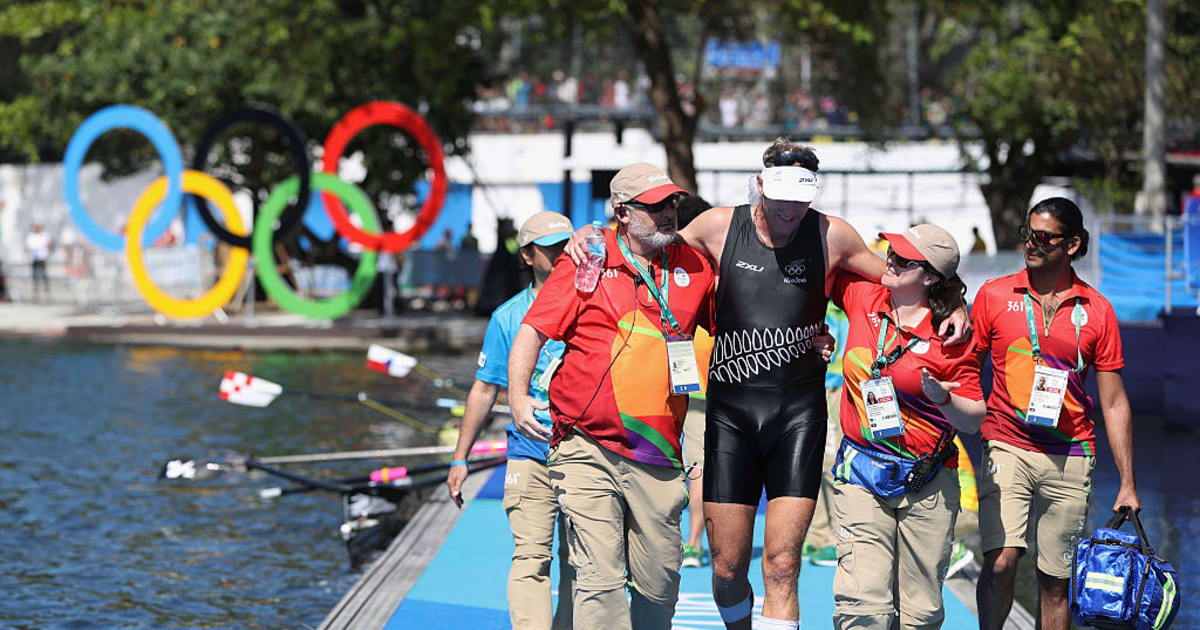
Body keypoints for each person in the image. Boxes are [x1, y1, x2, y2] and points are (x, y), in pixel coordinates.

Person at [563, 138, 970, 630]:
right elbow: (650, 243)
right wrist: (589, 235)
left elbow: (901, 279)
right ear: (760, 186)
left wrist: (956, 303)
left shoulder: (832, 235)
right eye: (780, 198)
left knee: (781, 565)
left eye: (801, 200)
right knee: (728, 569)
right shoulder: (717, 226)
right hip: (731, 415)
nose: (789, 211)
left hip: (797, 414)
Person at [508, 163, 715, 630]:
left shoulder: (695, 264)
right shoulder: (586, 259)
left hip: (658, 454)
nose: (667, 213)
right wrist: (517, 399)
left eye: (672, 203)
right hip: (586, 445)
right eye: (654, 206)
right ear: (622, 212)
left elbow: (738, 327)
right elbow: (533, 332)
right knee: (599, 578)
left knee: (659, 586)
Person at [972, 197, 1140, 630]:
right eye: (1028, 234)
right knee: (1001, 558)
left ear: (1073, 244)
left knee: (1054, 581)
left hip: (1071, 454)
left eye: (1044, 237)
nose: (1032, 243)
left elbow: (1115, 402)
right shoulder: (994, 295)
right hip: (1006, 443)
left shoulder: (1098, 311)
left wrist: (1127, 484)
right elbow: (964, 369)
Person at [828, 225, 985, 629]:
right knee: (863, 607)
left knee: (922, 614)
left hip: (926, 480)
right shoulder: (863, 296)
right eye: (890, 251)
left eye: (902, 258)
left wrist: (943, 399)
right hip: (860, 470)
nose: (890, 260)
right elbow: (827, 241)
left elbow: (974, 417)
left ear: (931, 276)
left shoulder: (952, 336)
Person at [445, 211, 576, 630]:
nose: (561, 254)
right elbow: (484, 390)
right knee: (531, 557)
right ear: (526, 255)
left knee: (583, 563)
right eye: (550, 247)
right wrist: (459, 459)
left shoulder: (596, 304)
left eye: (565, 245)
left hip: (587, 452)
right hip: (528, 451)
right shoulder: (506, 317)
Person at [675, 195, 715, 569]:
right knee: (700, 465)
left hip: (690, 375)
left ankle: (693, 542)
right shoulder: (718, 264)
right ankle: (696, 541)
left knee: (694, 465)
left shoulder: (680, 265)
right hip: (710, 374)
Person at [800, 301, 850, 568]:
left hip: (836, 391)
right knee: (812, 464)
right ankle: (818, 536)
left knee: (832, 464)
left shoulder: (849, 306)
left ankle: (834, 537)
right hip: (810, 389)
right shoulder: (819, 299)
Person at [25, 223, 51, 300]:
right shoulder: (30, 236)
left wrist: (46, 252)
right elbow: (27, 246)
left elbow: (49, 244)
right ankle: (35, 291)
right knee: (34, 275)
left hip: (42, 257)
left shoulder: (44, 235)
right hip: (34, 258)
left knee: (44, 274)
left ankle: (46, 291)